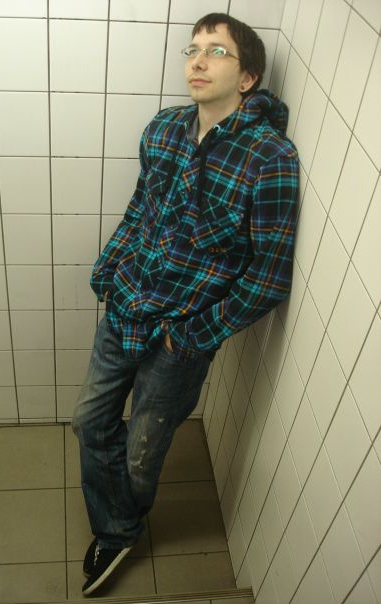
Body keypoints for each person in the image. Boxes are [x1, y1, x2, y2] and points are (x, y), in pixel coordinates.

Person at [72, 12, 299, 596]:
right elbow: (141, 209)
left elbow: (267, 276)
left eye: (216, 52)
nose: (197, 61)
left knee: (144, 449)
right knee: (89, 422)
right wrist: (108, 269)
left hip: (182, 336)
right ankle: (120, 522)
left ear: (247, 77)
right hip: (126, 306)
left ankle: (117, 530)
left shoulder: (269, 158)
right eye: (193, 49)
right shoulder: (164, 129)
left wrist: (193, 335)